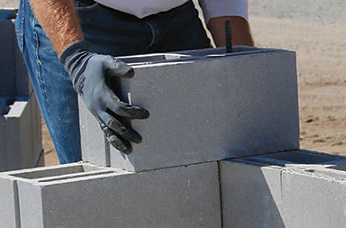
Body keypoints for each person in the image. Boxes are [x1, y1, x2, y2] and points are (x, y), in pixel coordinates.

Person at [16, 0, 254, 164]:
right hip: (79, 18)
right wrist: (76, 58)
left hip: (176, 19)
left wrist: (242, 58)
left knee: (202, 165)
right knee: (93, 180)